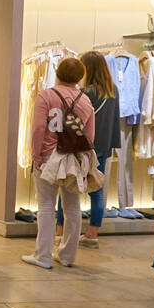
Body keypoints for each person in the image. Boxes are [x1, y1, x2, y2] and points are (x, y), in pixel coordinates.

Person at [22, 56, 95, 270]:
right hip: (74, 158)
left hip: (49, 156)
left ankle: (43, 255)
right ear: (80, 77)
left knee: (45, 205)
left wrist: (36, 155)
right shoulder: (85, 100)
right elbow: (90, 135)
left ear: (57, 73)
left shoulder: (46, 96)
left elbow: (37, 129)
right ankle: (68, 255)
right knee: (73, 207)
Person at [55, 51, 118, 249]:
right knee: (97, 190)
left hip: (82, 146)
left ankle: (59, 231)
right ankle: (92, 234)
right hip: (104, 145)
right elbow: (116, 121)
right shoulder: (113, 90)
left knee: (67, 185)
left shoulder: (85, 93)